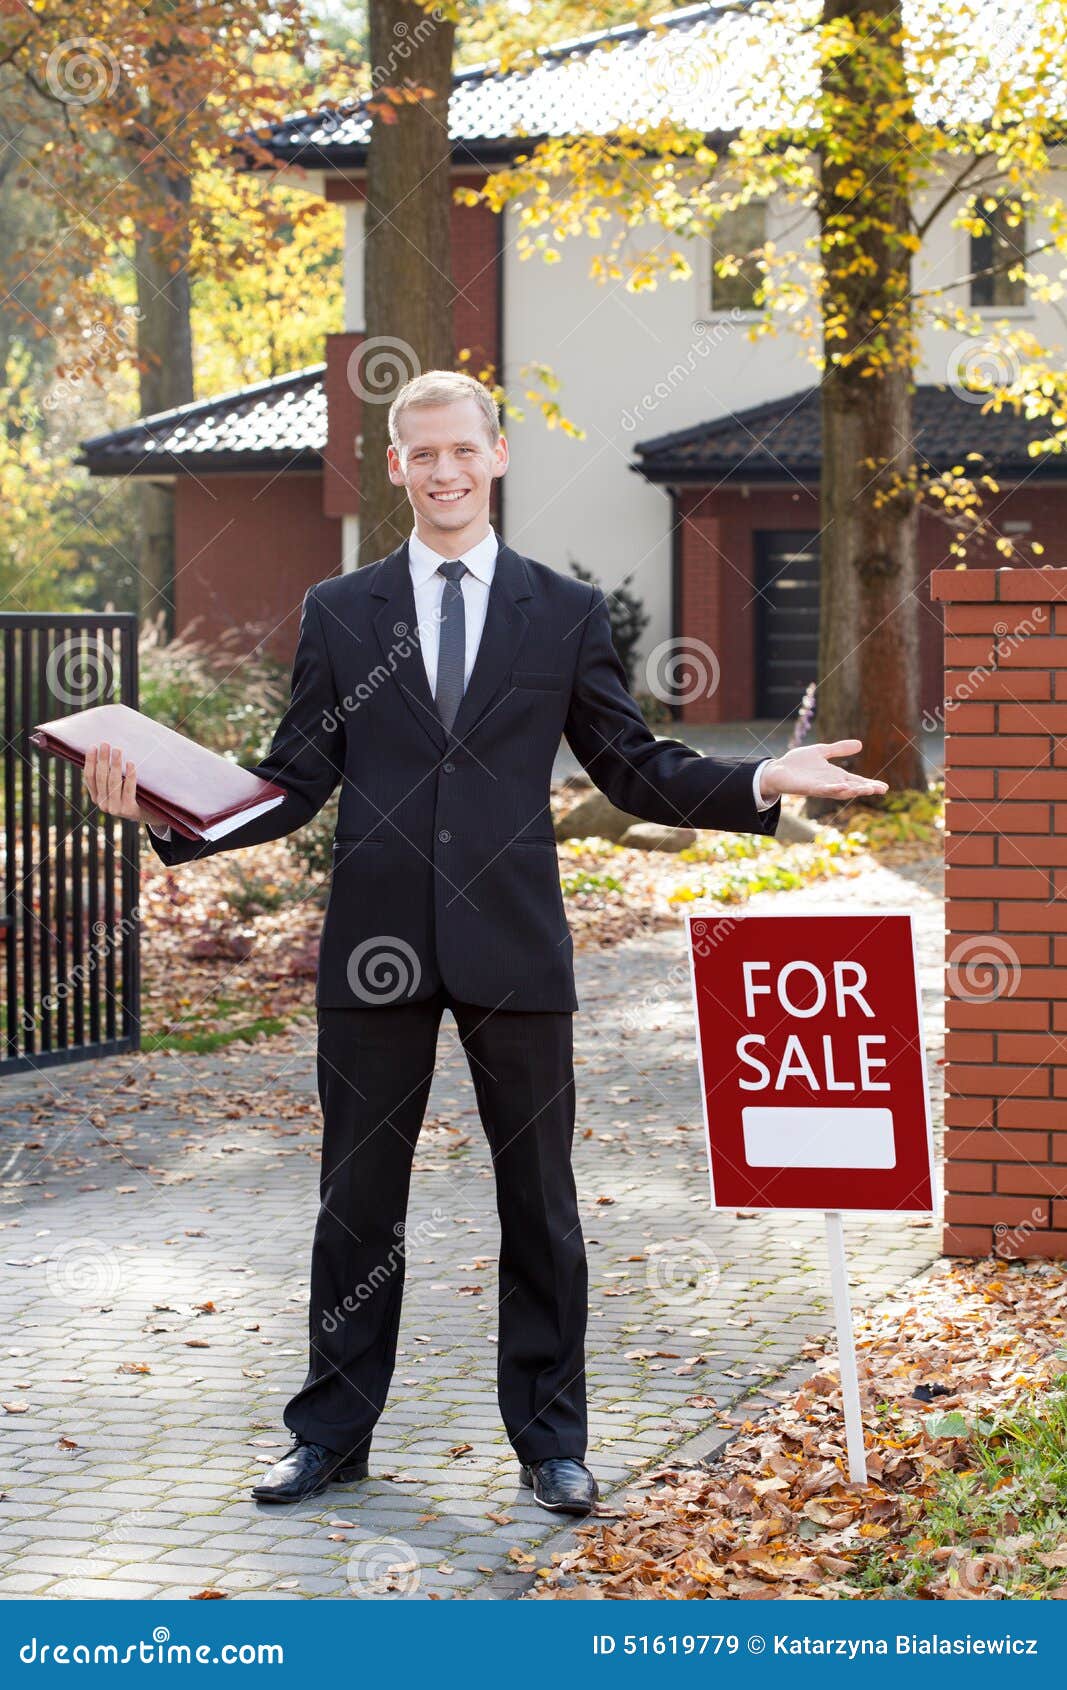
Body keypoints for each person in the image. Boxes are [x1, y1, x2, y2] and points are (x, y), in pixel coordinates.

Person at [83, 369, 888, 1515]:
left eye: (464, 450)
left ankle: (550, 1440)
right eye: (423, 455)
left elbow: (629, 765)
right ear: (397, 467)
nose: (446, 471)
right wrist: (162, 811)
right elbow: (290, 781)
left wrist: (757, 774)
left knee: (540, 1206)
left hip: (514, 944)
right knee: (355, 1206)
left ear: (496, 455)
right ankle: (330, 1437)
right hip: (376, 951)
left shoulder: (558, 612)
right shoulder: (340, 611)